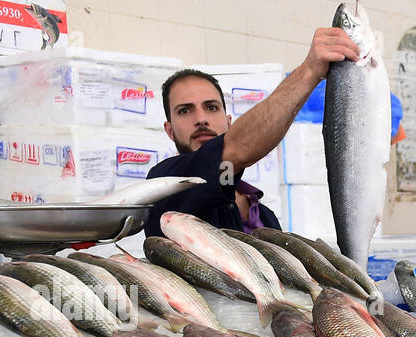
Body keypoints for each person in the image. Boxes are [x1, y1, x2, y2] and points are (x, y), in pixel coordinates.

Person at [143, 27, 359, 237]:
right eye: (184, 111)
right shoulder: (164, 186)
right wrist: (310, 70)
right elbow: (236, 151)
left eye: (211, 107)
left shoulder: (264, 214)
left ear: (228, 122)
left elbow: (229, 166)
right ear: (169, 131)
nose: (201, 119)